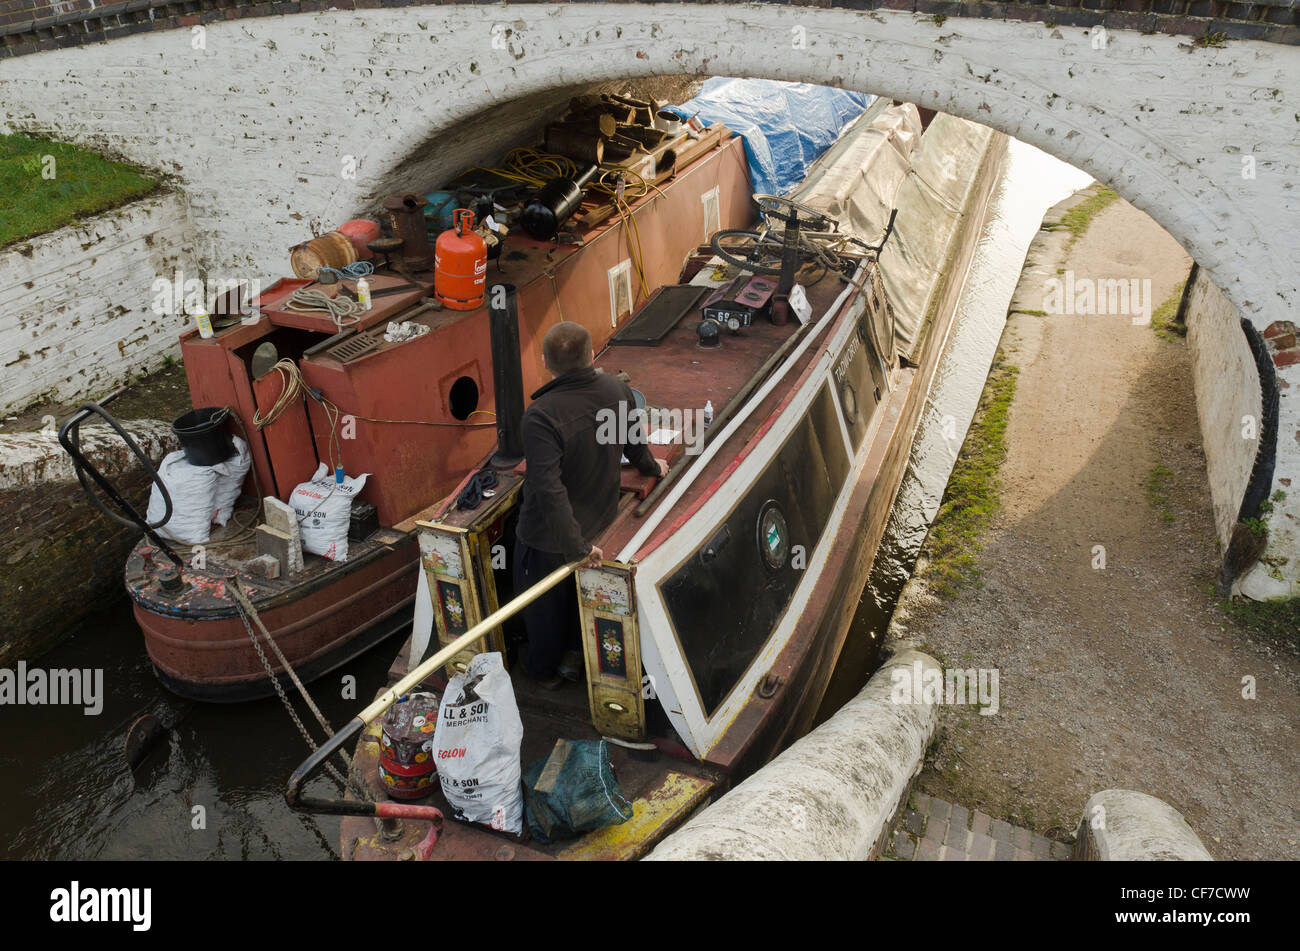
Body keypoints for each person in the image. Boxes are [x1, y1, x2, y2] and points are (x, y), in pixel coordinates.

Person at [513, 321, 667, 687]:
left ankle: (543, 670)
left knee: (543, 609)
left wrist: (576, 549)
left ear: (545, 363)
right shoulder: (617, 389)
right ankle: (579, 653)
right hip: (600, 518)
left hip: (550, 540)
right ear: (592, 355)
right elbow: (633, 443)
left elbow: (549, 491)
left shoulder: (540, 416)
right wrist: (651, 467)